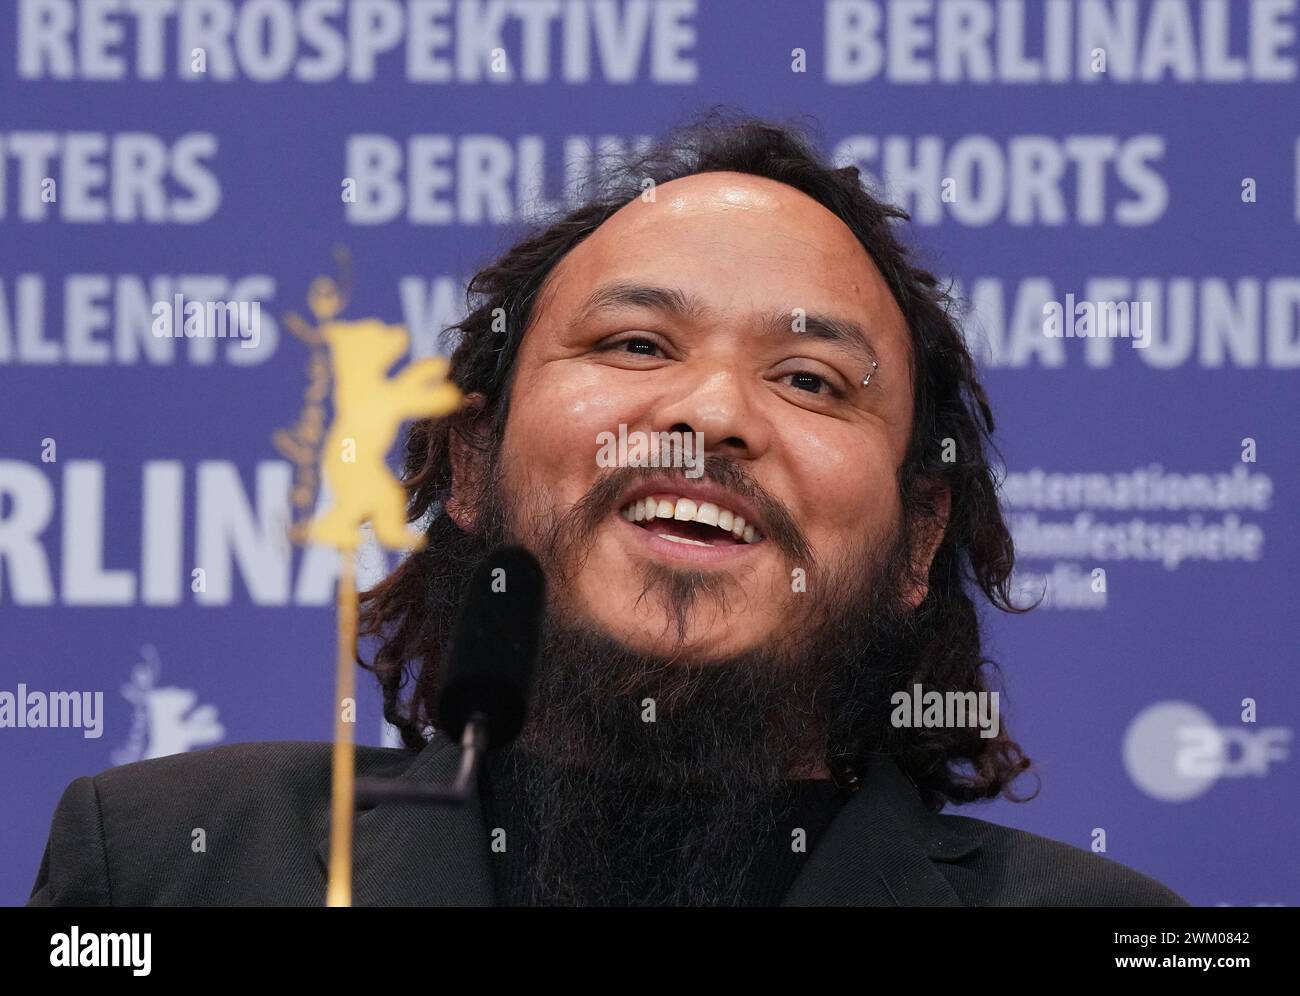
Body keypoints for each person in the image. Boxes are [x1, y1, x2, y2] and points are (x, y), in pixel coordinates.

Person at [28, 113, 1186, 907]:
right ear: (473, 459)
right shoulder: (167, 864)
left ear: (916, 540)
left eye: (811, 381)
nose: (712, 411)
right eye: (636, 343)